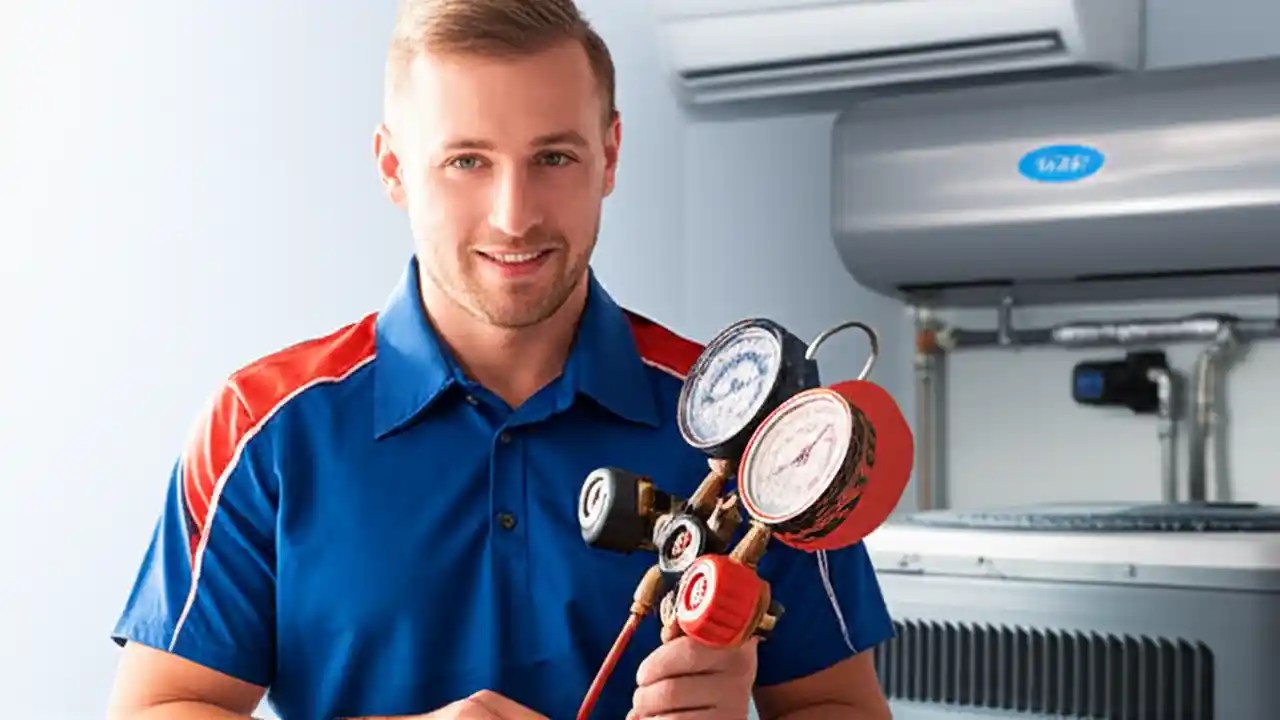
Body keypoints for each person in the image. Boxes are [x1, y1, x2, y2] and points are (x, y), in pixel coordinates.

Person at [105, 1, 896, 718]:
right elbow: (159, 708)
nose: (514, 217)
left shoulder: (756, 433)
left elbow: (841, 706)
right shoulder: (261, 428)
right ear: (393, 168)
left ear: (610, 154)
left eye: (553, 158)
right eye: (466, 161)